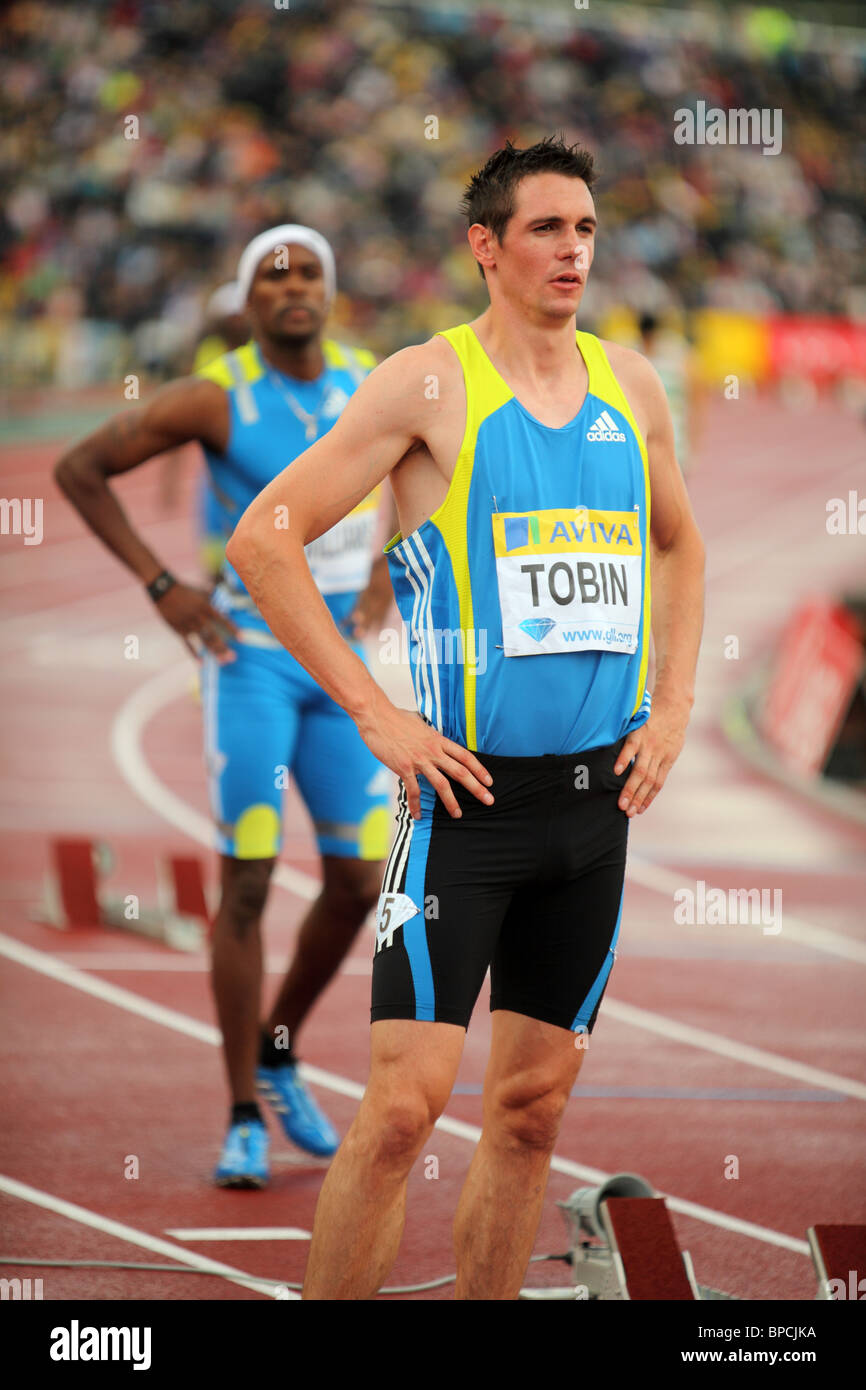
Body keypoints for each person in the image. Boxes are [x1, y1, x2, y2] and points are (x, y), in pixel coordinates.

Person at [226, 138, 706, 1298]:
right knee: (398, 1113)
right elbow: (262, 539)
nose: (573, 251)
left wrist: (677, 705)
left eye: (586, 229)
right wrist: (376, 712)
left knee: (532, 1114)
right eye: (547, 229)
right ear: (484, 246)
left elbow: (681, 544)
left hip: (595, 806)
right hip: (463, 804)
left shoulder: (630, 385)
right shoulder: (425, 383)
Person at [54, 223, 396, 1188]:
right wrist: (164, 588)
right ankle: (244, 1110)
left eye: (309, 271)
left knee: (358, 883)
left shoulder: (374, 383)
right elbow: (79, 470)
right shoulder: (217, 395)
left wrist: (384, 576)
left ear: (330, 289)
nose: (293, 286)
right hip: (249, 656)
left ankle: (280, 1050)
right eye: (273, 275)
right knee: (246, 881)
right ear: (247, 301)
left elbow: (426, 479)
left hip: (340, 667)